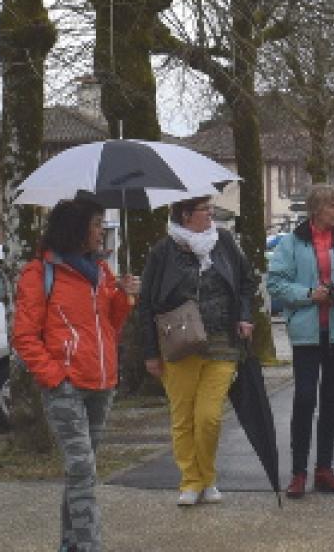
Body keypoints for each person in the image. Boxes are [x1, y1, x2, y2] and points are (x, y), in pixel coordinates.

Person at [11, 198, 140, 552]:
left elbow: (109, 327)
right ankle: (88, 545)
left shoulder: (101, 272)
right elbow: (24, 336)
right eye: (96, 224)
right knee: (83, 468)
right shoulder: (40, 273)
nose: (101, 231)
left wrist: (124, 299)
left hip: (101, 383)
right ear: (77, 229)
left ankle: (70, 543)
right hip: (65, 386)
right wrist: (55, 377)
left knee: (80, 470)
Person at [139, 195, 257, 507]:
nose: (211, 214)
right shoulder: (162, 252)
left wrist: (245, 316)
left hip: (221, 343)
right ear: (186, 214)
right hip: (179, 344)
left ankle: (208, 477)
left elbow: (246, 282)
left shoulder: (225, 242)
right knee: (183, 417)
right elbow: (146, 305)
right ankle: (191, 481)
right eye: (205, 210)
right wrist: (150, 352)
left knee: (209, 417)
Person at [266, 183, 334, 498]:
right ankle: (298, 472)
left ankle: (324, 468)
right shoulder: (292, 242)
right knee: (303, 399)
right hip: (306, 335)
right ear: (316, 210)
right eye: (331, 206)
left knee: (331, 401)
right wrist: (308, 294)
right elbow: (275, 282)